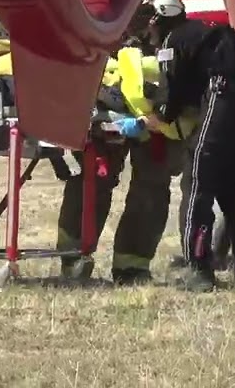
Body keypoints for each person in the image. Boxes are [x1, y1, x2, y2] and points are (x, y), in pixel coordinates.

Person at [113, 0, 235, 291]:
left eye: (149, 19)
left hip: (224, 96)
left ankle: (198, 268)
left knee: (197, 179)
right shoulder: (205, 32)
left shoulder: (173, 42)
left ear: (162, 18)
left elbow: (169, 101)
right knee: (233, 180)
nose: (147, 28)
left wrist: (149, 120)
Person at [54, 36, 193, 286]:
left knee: (153, 183)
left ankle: (133, 266)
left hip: (157, 96)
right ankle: (73, 256)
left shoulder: (157, 8)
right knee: (94, 177)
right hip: (101, 79)